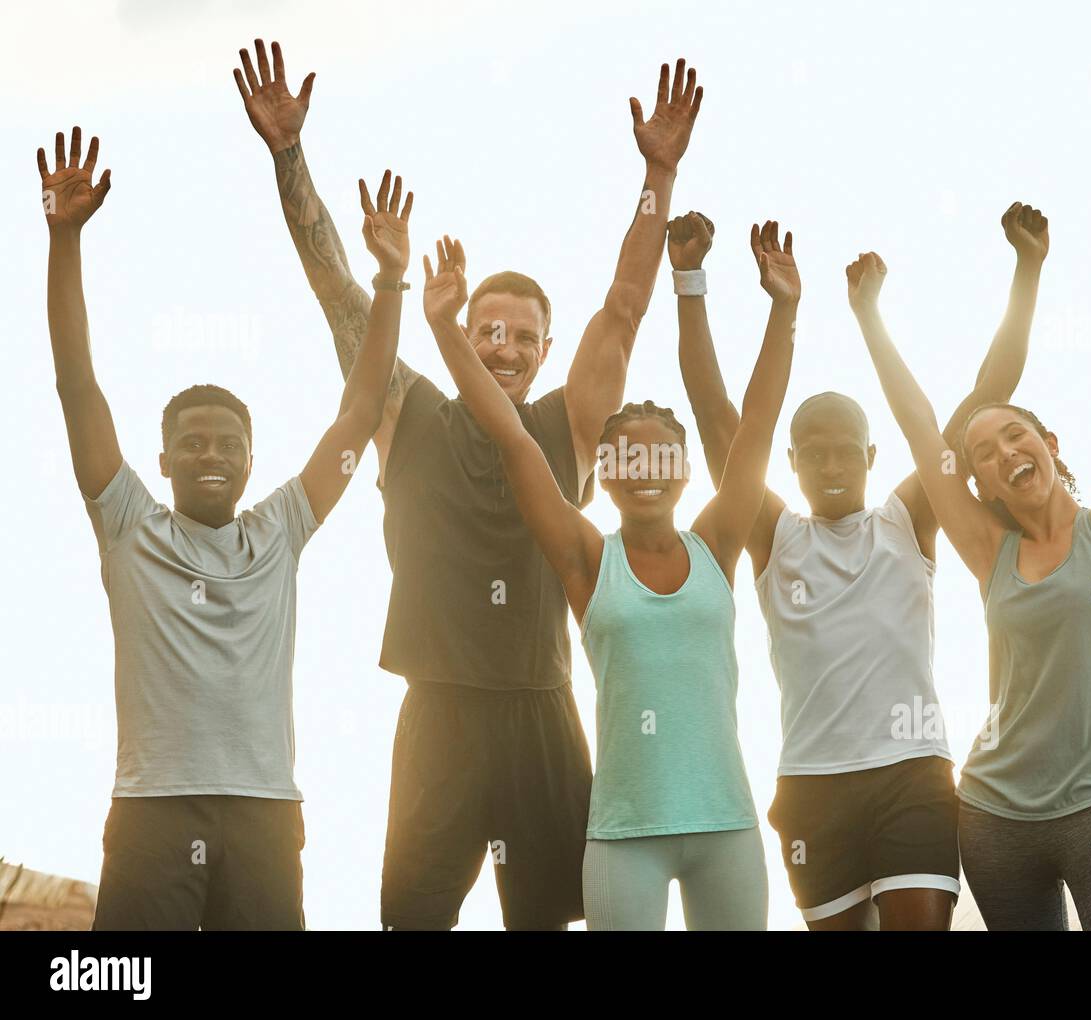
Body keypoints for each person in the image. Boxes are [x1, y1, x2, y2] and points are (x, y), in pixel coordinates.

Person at [233, 38, 704, 930]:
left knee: (548, 916)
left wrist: (659, 177)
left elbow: (627, 304)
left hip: (542, 713)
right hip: (438, 712)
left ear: (546, 352)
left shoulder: (567, 425)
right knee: (412, 917)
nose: (505, 349)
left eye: (525, 337)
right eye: (489, 331)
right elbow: (335, 289)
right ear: (464, 333)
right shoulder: (405, 411)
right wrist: (290, 154)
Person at [41, 124, 413, 929]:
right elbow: (77, 384)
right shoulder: (129, 523)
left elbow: (360, 408)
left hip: (264, 815)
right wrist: (63, 237)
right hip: (152, 812)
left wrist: (389, 283)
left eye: (229, 445)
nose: (212, 455)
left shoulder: (281, 529)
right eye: (193, 444)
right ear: (164, 460)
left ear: (252, 460)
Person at [671, 203, 1048, 930]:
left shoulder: (908, 519)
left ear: (873, 457)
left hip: (913, 776)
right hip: (812, 788)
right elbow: (717, 414)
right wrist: (691, 279)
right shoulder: (775, 534)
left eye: (848, 449)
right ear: (791, 462)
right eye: (814, 451)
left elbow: (984, 398)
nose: (833, 463)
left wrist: (1027, 270)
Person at [420, 220, 797, 929]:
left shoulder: (717, 544)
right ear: (607, 470)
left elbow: (759, 425)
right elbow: (509, 431)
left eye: (660, 457)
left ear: (683, 472)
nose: (643, 470)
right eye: (625, 457)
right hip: (624, 834)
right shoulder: (588, 558)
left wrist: (783, 308)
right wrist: (445, 330)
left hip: (725, 824)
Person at [847, 178, 1091, 931]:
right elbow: (919, 424)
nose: (1002, 453)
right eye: (984, 454)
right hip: (993, 816)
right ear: (985, 483)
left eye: (1014, 436)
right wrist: (869, 317)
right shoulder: (986, 547)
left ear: (1048, 444)